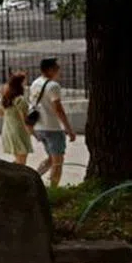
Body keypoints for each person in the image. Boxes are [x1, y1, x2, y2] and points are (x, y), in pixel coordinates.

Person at [30, 56, 76, 186]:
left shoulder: (35, 83)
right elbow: (58, 109)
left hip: (39, 127)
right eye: (57, 68)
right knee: (58, 162)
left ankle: (33, 179)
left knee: (51, 159)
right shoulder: (53, 86)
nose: (59, 71)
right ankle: (53, 189)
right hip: (53, 128)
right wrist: (68, 128)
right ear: (50, 70)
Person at [0, 71, 33, 165]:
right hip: (19, 131)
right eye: (24, 81)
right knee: (22, 161)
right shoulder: (20, 99)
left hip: (7, 130)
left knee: (18, 159)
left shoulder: (4, 98)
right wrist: (31, 131)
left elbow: (0, 113)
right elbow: (24, 118)